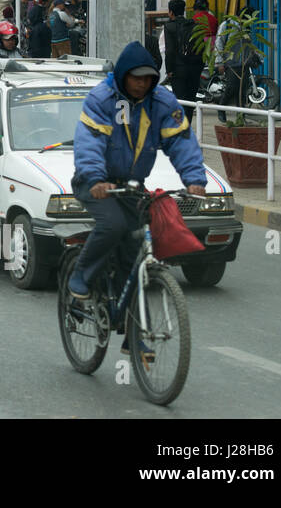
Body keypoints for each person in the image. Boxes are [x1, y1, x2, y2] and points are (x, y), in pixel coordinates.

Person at [67, 42, 207, 353]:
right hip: (95, 183)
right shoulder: (101, 98)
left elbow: (181, 141)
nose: (142, 83)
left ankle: (133, 333)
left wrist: (195, 180)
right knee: (114, 225)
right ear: (122, 76)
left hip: (132, 185)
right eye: (135, 78)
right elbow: (89, 141)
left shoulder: (161, 101)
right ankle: (81, 276)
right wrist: (95, 178)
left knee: (135, 251)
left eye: (147, 78)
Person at [161, 0, 204, 116]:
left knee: (180, 101)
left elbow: (169, 51)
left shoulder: (169, 26)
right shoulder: (194, 24)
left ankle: (181, 129)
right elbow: (201, 48)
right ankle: (188, 127)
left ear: (171, 12)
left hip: (178, 70)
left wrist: (169, 70)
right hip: (194, 69)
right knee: (190, 102)